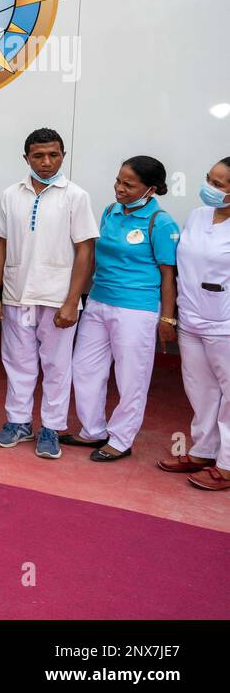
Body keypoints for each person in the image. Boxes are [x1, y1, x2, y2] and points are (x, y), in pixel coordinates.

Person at [0, 128, 98, 458]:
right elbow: (1, 245)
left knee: (57, 365)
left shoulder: (75, 196)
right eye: (38, 156)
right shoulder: (10, 194)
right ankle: (18, 422)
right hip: (17, 294)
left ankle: (51, 427)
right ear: (26, 158)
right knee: (17, 363)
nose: (46, 162)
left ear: (63, 155)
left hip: (57, 298)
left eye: (53, 155)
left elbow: (85, 251)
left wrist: (72, 301)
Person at [65, 156, 179, 462]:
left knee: (132, 377)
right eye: (118, 181)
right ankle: (92, 430)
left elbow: (169, 275)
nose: (119, 189)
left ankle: (121, 439)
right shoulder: (109, 212)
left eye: (129, 185)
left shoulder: (161, 221)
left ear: (150, 189)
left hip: (136, 309)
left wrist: (167, 317)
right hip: (99, 300)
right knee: (85, 367)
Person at [160, 157, 230, 490]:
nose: (209, 189)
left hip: (225, 324)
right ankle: (203, 450)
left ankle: (228, 464)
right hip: (191, 319)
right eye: (208, 180)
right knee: (200, 389)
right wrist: (171, 313)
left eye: (218, 185)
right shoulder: (198, 216)